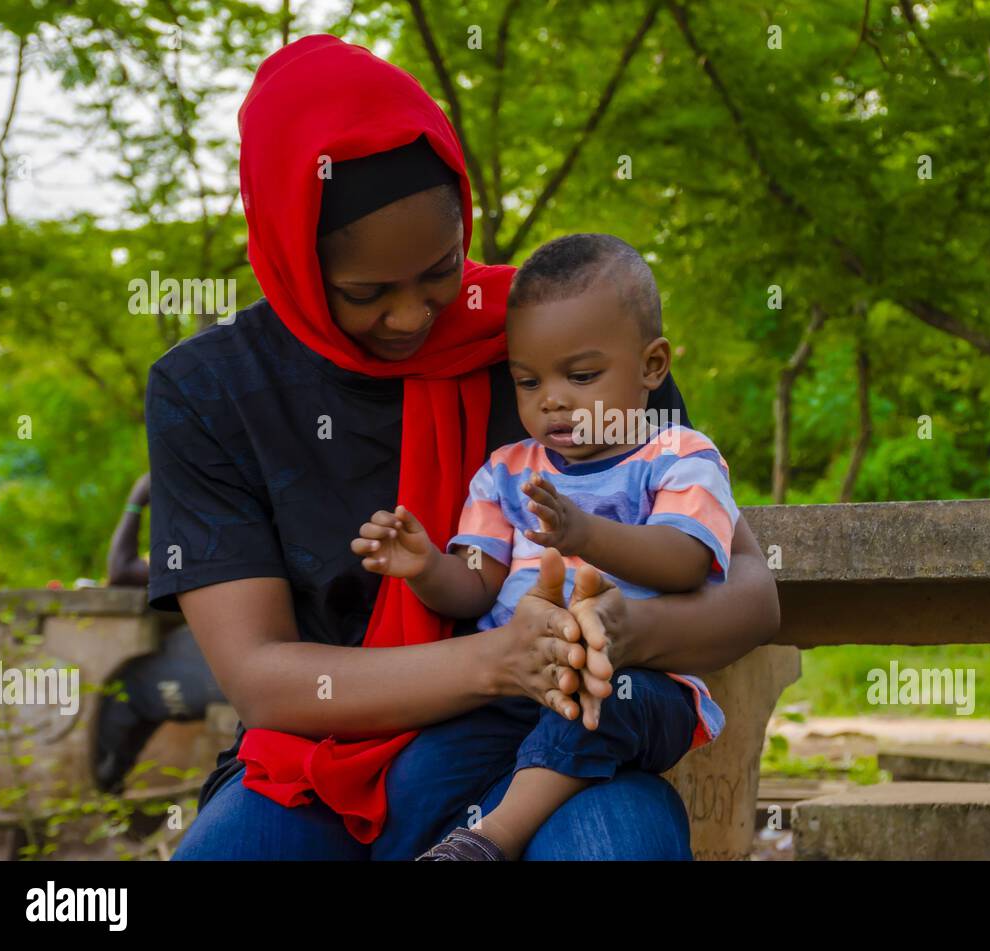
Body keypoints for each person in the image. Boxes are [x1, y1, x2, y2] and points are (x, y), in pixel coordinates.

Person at [151, 35, 778, 861]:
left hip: (557, 747)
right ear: (291, 251)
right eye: (368, 294)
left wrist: (619, 632)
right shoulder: (213, 390)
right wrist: (498, 657)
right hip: (315, 762)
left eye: (440, 272)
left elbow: (746, 596)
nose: (413, 317)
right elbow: (260, 675)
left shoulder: (567, 336)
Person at [355, 234, 735, 860]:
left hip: (637, 684)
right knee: (417, 777)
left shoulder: (679, 457)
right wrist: (425, 568)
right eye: (527, 382)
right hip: (516, 688)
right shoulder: (508, 471)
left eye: (581, 376)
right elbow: (475, 582)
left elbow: (686, 559)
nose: (553, 399)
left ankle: (490, 843)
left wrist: (586, 534)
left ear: (653, 366)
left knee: (598, 709)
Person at [91, 472, 226, 793]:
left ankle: (108, 784)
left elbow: (121, 570)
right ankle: (112, 782)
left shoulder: (209, 543)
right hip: (261, 656)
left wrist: (137, 500)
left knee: (129, 688)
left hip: (235, 666)